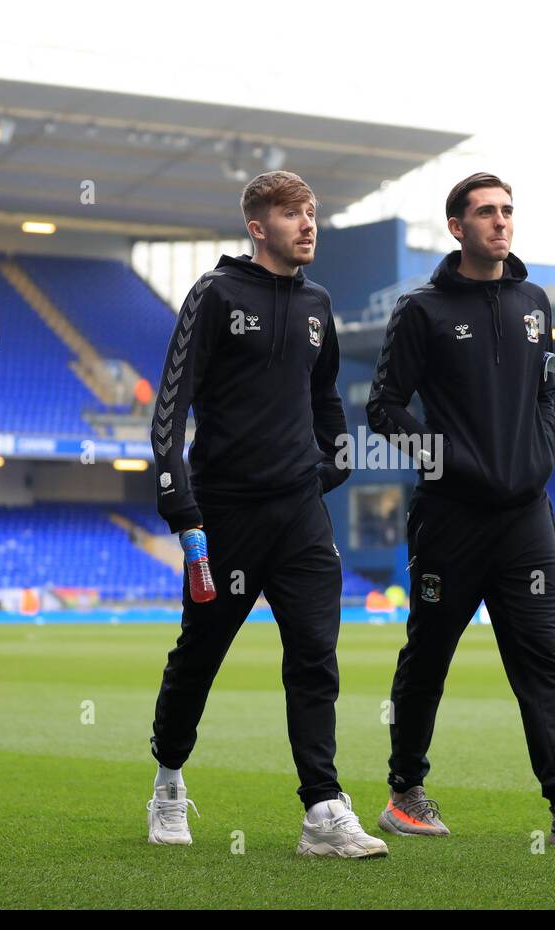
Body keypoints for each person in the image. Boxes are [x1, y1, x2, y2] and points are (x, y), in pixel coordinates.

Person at [366, 172, 555, 846]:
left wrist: (539, 451)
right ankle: (405, 791)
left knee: (541, 656)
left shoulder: (535, 301)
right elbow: (383, 407)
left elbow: (545, 391)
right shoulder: (420, 309)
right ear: (456, 226)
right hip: (451, 517)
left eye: (508, 210)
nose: (501, 222)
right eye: (486, 212)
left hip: (525, 517)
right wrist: (445, 459)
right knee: (428, 655)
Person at [146, 170, 387, 859]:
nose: (309, 224)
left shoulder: (318, 302)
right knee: (201, 655)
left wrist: (333, 462)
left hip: (301, 516)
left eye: (312, 213)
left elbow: (327, 395)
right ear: (258, 225)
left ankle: (323, 807)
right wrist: (182, 506)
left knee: (315, 656)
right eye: (293, 214)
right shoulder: (215, 294)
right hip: (225, 515)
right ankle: (168, 778)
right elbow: (170, 408)